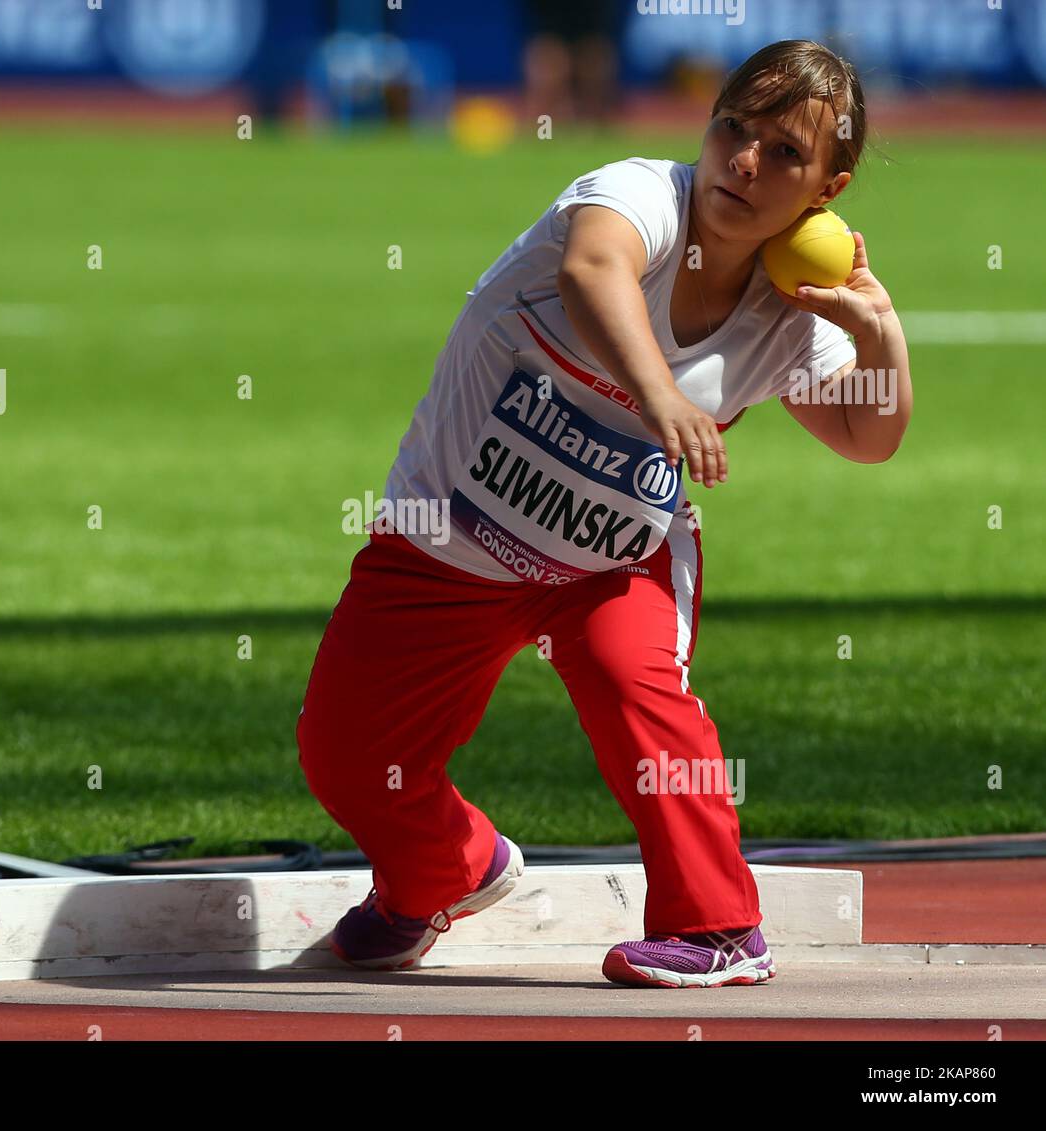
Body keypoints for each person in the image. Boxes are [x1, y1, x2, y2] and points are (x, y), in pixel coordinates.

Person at [296, 40, 912, 988]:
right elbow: (593, 271)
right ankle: (443, 872)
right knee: (344, 756)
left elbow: (869, 436)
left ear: (828, 189)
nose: (745, 161)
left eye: (786, 153)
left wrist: (881, 333)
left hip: (612, 560)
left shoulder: (792, 311)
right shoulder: (635, 194)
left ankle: (717, 928)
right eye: (733, 128)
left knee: (640, 691)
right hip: (443, 544)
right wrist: (661, 397)